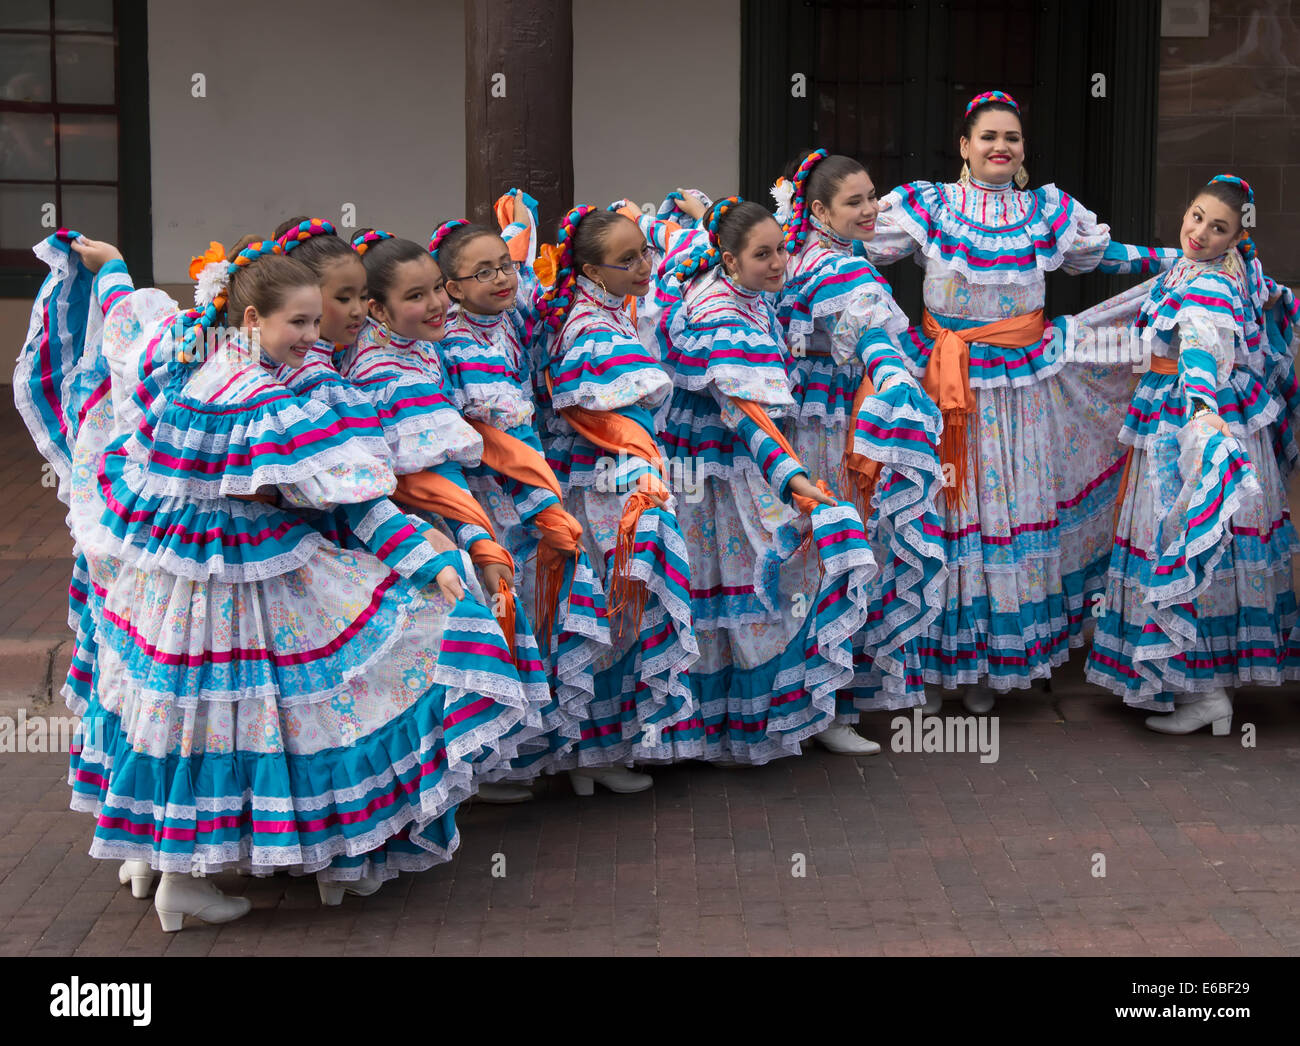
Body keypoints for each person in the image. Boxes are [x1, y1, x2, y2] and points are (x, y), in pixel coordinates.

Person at [30, 233, 526, 929]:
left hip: (177, 583)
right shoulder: (264, 397)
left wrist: (111, 269)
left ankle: (166, 863)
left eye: (314, 316)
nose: (312, 331)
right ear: (250, 319)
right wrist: (432, 560)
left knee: (188, 719)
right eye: (300, 319)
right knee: (305, 705)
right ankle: (317, 862)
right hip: (251, 579)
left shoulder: (189, 368)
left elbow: (126, 343)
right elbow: (349, 498)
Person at [859, 90, 1183, 713]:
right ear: (965, 146)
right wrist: (786, 235)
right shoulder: (928, 205)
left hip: (1021, 388)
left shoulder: (1047, 211)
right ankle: (932, 660)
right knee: (950, 516)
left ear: (1023, 150)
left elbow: (1105, 256)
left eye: (1011, 137)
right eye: (987, 137)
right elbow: (854, 245)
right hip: (946, 386)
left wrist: (1177, 259)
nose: (1000, 147)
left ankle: (994, 665)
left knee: (1006, 512)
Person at [655, 196, 879, 762]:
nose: (781, 262)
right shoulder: (721, 313)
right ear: (728, 260)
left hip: (739, 467)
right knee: (771, 580)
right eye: (765, 254)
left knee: (757, 588)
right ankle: (781, 717)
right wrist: (794, 481)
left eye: (781, 248)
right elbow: (747, 414)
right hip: (724, 474)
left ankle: (791, 714)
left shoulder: (742, 290)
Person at [1084, 176, 1298, 733]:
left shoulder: (1208, 285)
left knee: (1190, 539)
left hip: (1191, 418)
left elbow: (1201, 348)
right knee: (1205, 545)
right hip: (1189, 410)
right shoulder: (1216, 270)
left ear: (1235, 236)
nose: (1199, 232)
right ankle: (1196, 686)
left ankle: (1205, 694)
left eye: (1218, 227)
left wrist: (1202, 408)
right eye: (1196, 216)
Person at [532, 205, 701, 790]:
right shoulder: (594, 328)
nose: (643, 267)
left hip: (604, 482)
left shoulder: (603, 312)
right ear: (590, 269)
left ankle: (591, 753)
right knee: (614, 608)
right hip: (607, 488)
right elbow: (624, 420)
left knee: (608, 611)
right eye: (626, 260)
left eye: (644, 254)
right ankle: (591, 755)